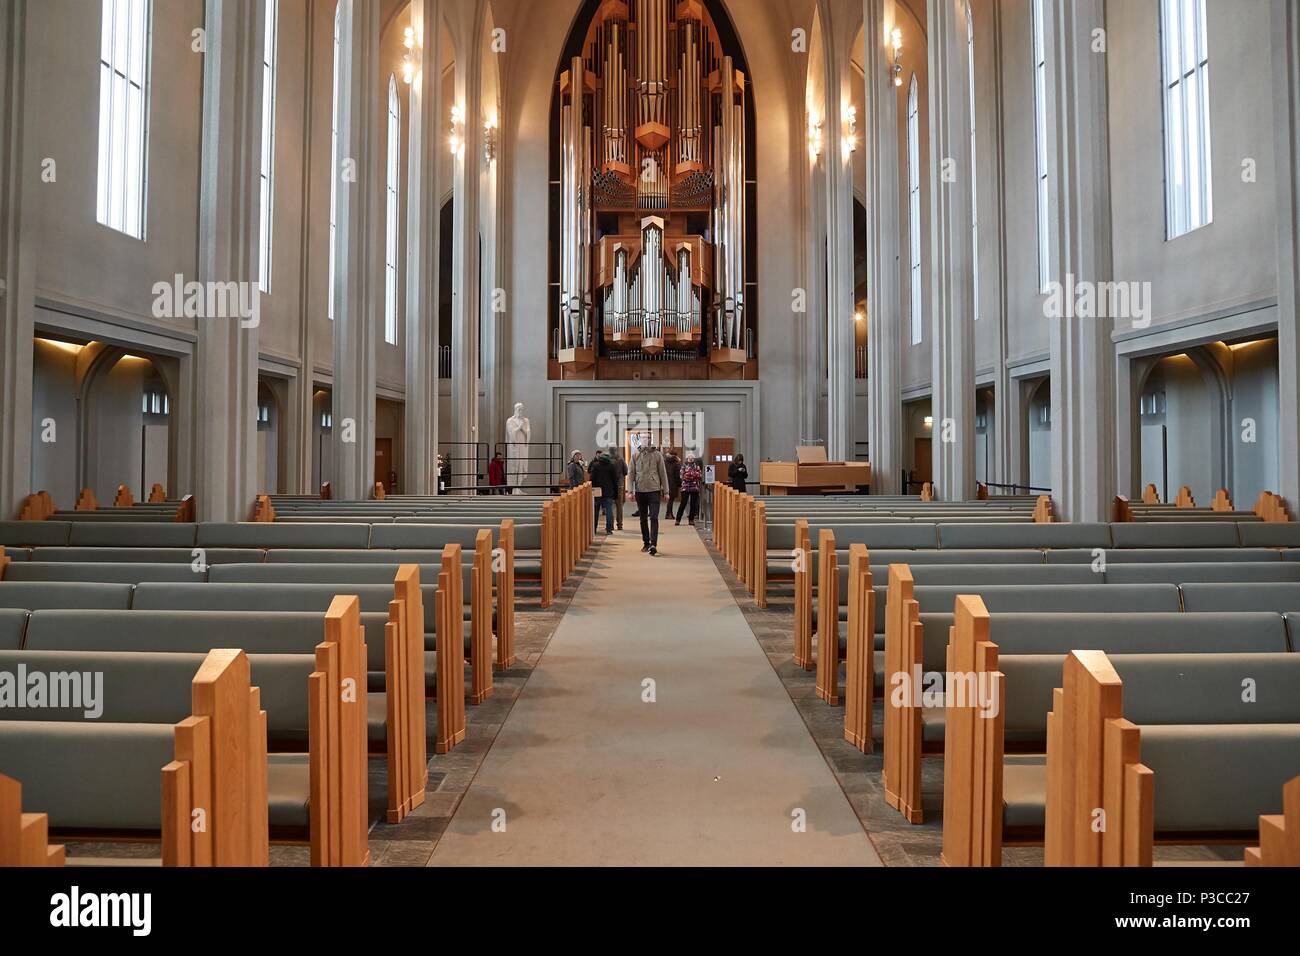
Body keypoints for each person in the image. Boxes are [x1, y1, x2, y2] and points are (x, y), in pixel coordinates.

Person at [630, 441, 669, 555]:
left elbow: (663, 473)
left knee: (654, 517)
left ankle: (653, 544)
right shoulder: (635, 455)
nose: (645, 442)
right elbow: (631, 473)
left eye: (647, 439)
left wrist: (666, 491)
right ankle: (646, 542)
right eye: (643, 439)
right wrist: (630, 491)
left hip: (654, 490)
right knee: (643, 519)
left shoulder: (657, 455)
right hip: (640, 491)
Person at [587, 449, 617, 534]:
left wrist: (591, 489)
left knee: (596, 510)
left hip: (597, 491)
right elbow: (615, 480)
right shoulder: (611, 466)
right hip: (608, 491)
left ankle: (594, 528)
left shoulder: (596, 465)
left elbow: (591, 479)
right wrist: (615, 493)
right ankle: (609, 529)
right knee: (609, 510)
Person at [676, 453, 702, 526]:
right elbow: (682, 476)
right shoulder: (683, 466)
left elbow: (699, 475)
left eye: (692, 458)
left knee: (693, 504)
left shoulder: (697, 466)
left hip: (695, 487)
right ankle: (678, 519)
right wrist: (692, 475)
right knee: (683, 503)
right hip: (685, 487)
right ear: (687, 459)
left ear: (694, 459)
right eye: (689, 458)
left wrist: (689, 474)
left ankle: (691, 519)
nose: (691, 459)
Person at [608, 446, 628, 530]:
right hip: (619, 485)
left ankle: (610, 525)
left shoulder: (607, 460)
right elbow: (626, 471)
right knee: (619, 505)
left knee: (610, 505)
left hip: (610, 486)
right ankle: (620, 524)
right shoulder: (620, 459)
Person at [663, 449, 681, 521]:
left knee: (669, 499)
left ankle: (669, 513)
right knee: (671, 499)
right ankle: (669, 514)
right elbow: (678, 475)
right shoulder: (676, 463)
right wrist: (679, 483)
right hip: (673, 483)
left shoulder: (665, 461)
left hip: (666, 482)